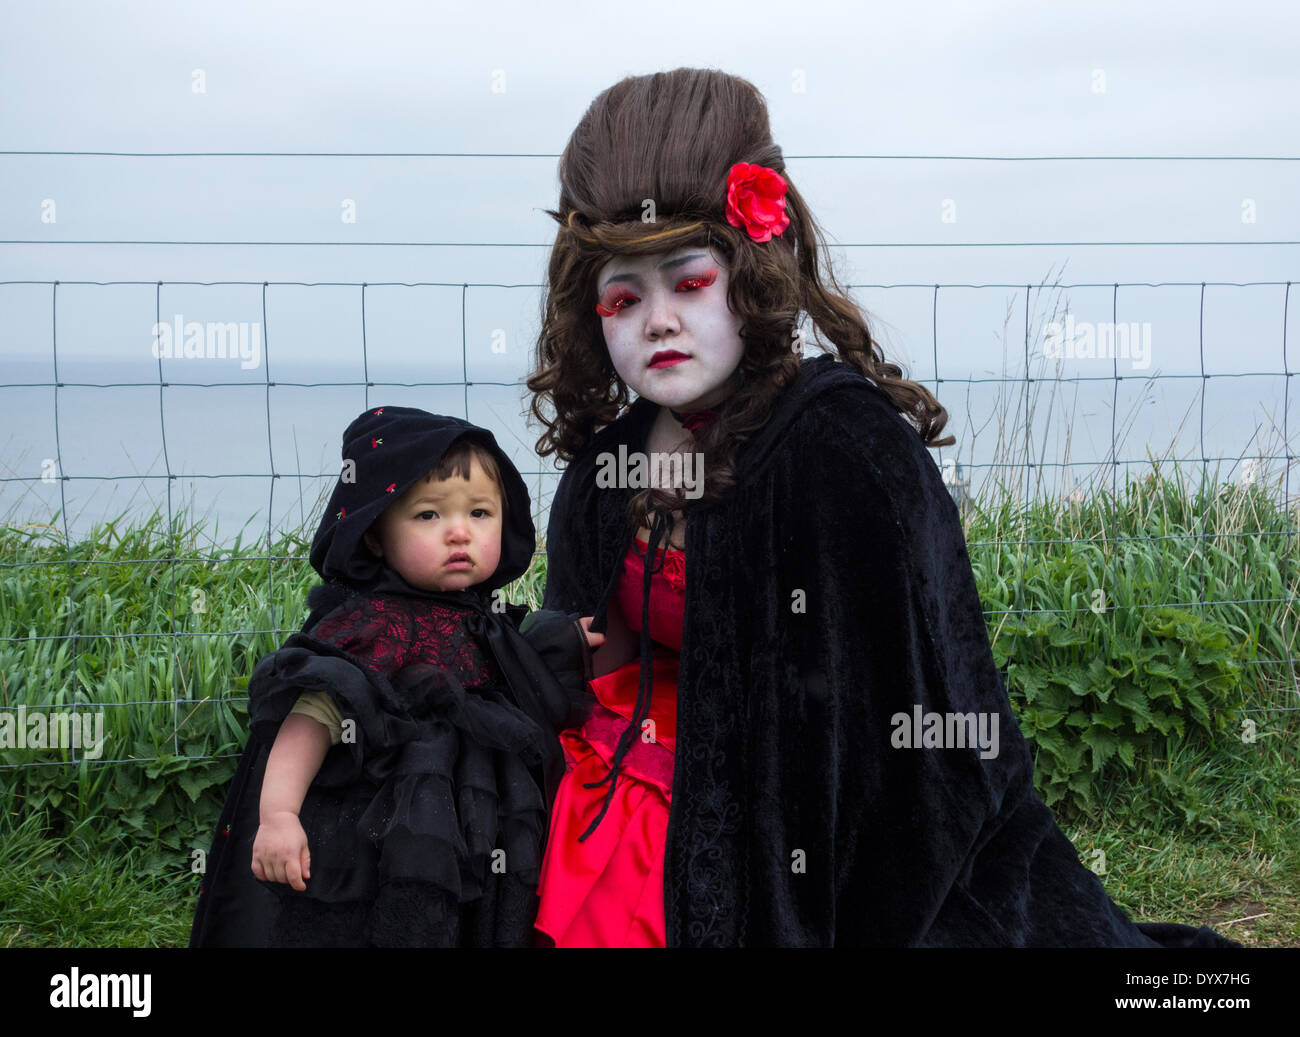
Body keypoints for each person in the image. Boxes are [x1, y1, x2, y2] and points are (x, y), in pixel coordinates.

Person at [524, 67, 1242, 948]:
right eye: (625, 297)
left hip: (806, 834)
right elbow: (580, 663)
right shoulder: (613, 465)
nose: (659, 321)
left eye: (690, 282)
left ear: (751, 269)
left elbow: (927, 732)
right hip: (624, 809)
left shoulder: (844, 450)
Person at [188, 406, 598, 947]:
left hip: (483, 826)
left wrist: (565, 639)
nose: (459, 533)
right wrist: (280, 814)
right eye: (428, 515)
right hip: (389, 831)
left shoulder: (485, 621)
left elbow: (515, 661)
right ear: (377, 534)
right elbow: (313, 717)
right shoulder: (373, 623)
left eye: (480, 513)